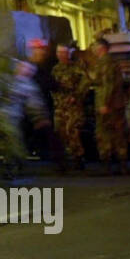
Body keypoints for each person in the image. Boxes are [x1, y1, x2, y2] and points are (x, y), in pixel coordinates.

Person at [0, 57, 50, 181]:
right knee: (14, 142)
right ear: (19, 66)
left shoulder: (28, 84)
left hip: (15, 118)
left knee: (11, 143)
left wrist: (40, 118)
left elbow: (34, 103)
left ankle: (11, 168)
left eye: (30, 69)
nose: (27, 70)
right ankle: (18, 162)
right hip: (2, 116)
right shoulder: (4, 79)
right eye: (25, 67)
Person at [91, 37, 129, 175]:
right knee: (119, 134)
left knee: (104, 134)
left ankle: (106, 166)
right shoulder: (113, 62)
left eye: (95, 46)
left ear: (101, 48)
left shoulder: (104, 63)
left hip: (108, 106)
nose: (93, 49)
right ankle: (123, 165)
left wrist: (104, 104)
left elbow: (108, 85)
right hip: (117, 105)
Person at [51, 43, 89, 171]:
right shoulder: (56, 69)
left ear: (68, 53)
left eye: (63, 52)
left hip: (73, 106)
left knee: (72, 131)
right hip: (59, 106)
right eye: (59, 52)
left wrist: (76, 96)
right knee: (60, 131)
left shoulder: (76, 67)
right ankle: (65, 159)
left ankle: (78, 158)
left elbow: (85, 82)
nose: (61, 55)